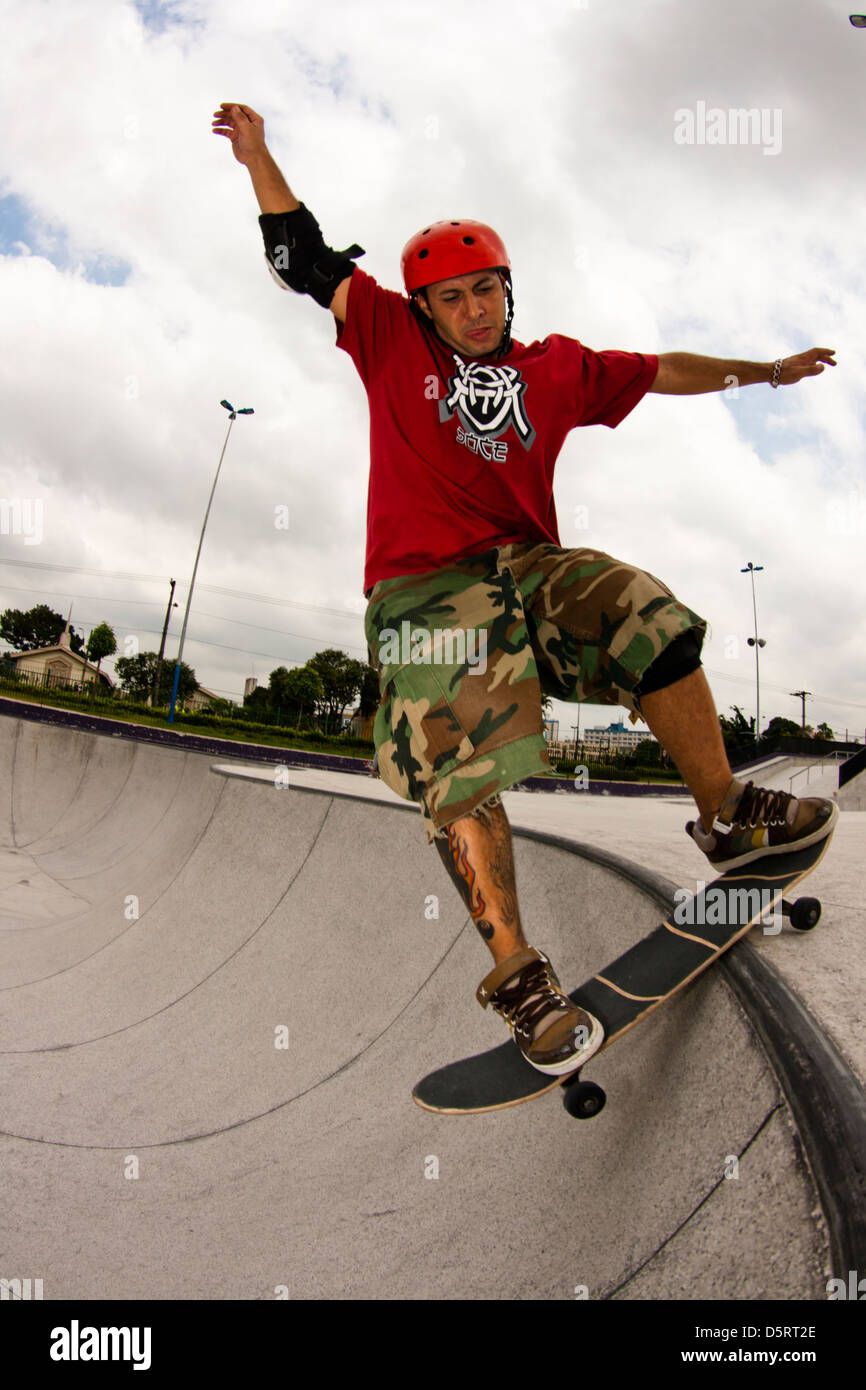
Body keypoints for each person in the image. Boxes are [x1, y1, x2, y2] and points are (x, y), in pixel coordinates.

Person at [213, 102, 838, 1079]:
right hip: (424, 591)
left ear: (509, 290)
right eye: (453, 298)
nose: (473, 311)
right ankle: (518, 975)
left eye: (487, 292)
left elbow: (660, 365)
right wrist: (259, 160)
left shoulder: (555, 370)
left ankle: (720, 813)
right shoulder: (385, 335)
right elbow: (302, 259)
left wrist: (759, 372)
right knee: (456, 756)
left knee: (644, 610)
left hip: (523, 575)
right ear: (423, 308)